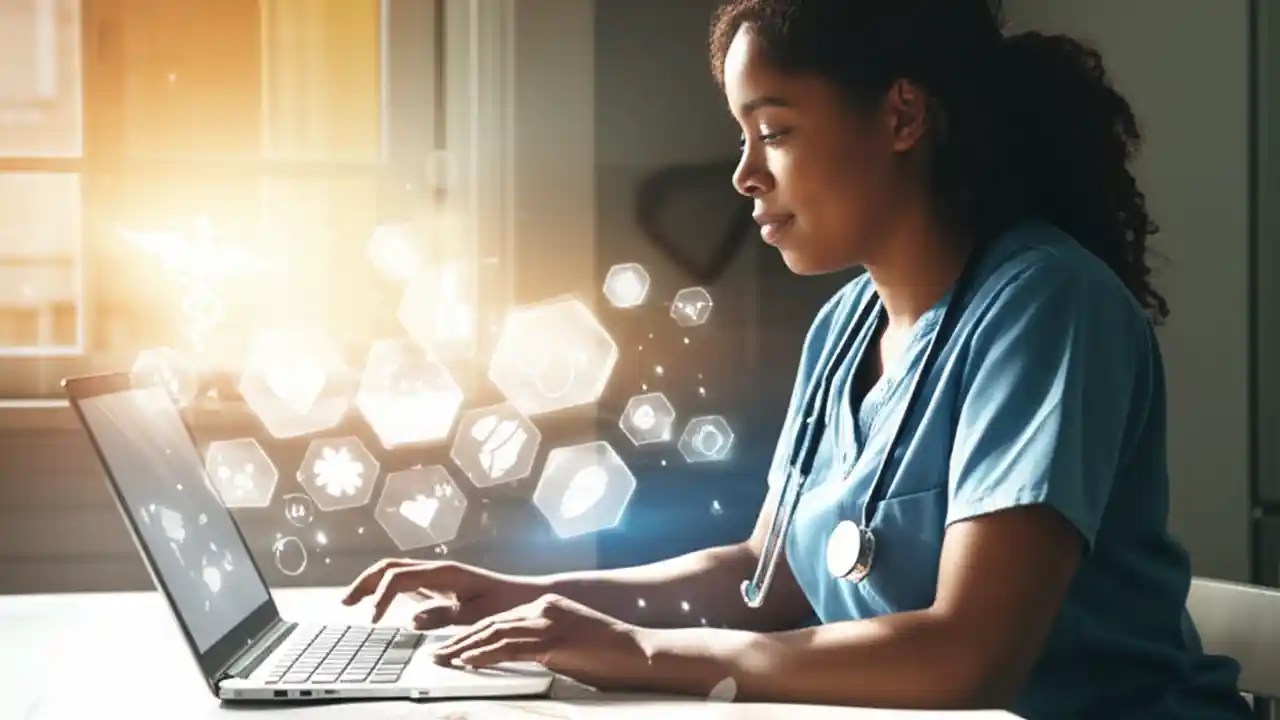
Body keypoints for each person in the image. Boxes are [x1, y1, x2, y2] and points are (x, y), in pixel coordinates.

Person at [343, 1, 1254, 716]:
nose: (745, 173)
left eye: (772, 130)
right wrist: (526, 596)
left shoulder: (1046, 305)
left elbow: (970, 655)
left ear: (902, 114)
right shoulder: (846, 324)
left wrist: (644, 653)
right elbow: (767, 581)